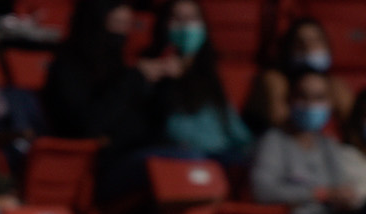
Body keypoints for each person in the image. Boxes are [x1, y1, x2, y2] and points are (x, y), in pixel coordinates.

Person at [42, 0, 177, 183]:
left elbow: (147, 122)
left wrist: (165, 82)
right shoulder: (68, 68)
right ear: (95, 22)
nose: (120, 35)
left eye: (125, 27)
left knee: (187, 160)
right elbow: (87, 125)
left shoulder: (118, 66)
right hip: (92, 166)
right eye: (115, 25)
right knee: (180, 164)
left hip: (131, 153)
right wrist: (134, 79)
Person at [150, 0, 253, 165]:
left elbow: (234, 126)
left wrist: (251, 147)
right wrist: (166, 78)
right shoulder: (151, 70)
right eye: (178, 19)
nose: (186, 27)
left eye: (192, 19)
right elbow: (165, 129)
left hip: (219, 154)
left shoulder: (208, 73)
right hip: (180, 156)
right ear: (164, 25)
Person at [249, 69, 356, 214]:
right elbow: (262, 191)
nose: (310, 105)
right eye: (303, 97)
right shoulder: (273, 141)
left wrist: (346, 196)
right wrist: (317, 194)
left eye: (319, 98)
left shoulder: (329, 144)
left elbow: (341, 187)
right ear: (289, 100)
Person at [243, 17, 355, 135]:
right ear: (287, 49)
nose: (308, 47)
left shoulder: (334, 85)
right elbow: (279, 120)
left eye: (316, 41)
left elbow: (354, 125)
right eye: (299, 43)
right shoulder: (273, 79)